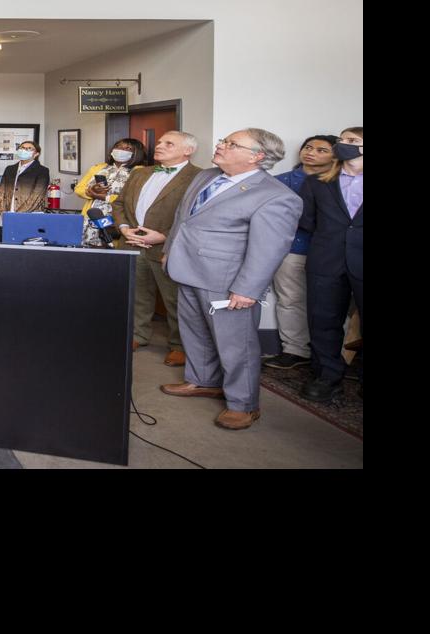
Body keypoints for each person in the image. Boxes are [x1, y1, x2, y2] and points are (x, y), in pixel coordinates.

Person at [128, 129, 301, 431]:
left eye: (232, 144)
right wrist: (169, 251)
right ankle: (202, 381)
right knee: (194, 332)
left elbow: (269, 249)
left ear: (256, 156)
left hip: (227, 280)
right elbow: (184, 217)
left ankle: (242, 404)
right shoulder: (207, 176)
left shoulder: (275, 196)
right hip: (187, 269)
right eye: (223, 140)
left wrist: (247, 289)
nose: (221, 145)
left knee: (237, 344)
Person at [111, 131, 201, 365]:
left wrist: (164, 237)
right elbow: (119, 203)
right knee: (136, 294)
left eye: (168, 144)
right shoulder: (141, 173)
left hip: (168, 247)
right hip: (131, 242)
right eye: (160, 142)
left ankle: (179, 345)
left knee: (175, 299)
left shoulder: (199, 177)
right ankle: (137, 334)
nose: (159, 146)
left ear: (187, 150)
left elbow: (197, 217)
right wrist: (123, 228)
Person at [297, 126, 362, 402]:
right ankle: (328, 376)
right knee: (323, 320)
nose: (343, 144)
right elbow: (307, 221)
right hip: (326, 259)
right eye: (343, 139)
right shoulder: (317, 182)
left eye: (352, 141)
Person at [263, 134, 338, 370]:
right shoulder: (279, 181)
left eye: (321, 150)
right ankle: (295, 350)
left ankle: (335, 353)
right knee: (290, 300)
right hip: (292, 249)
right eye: (308, 147)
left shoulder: (341, 182)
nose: (311, 152)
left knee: (333, 303)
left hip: (331, 252)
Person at [76, 137, 146, 247]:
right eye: (118, 146)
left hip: (117, 219)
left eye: (127, 148)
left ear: (136, 153)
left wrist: (106, 197)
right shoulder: (99, 168)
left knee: (110, 251)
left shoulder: (139, 171)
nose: (121, 150)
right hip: (92, 216)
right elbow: (79, 189)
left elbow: (133, 198)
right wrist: (91, 191)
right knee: (87, 248)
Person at [0, 141, 49, 214]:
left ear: (36, 154)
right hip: (8, 212)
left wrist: (19, 214)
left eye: (29, 149)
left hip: (30, 214)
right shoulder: (10, 169)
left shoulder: (42, 171)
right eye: (22, 148)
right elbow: (1, 191)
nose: (24, 150)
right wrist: (2, 211)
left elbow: (37, 196)